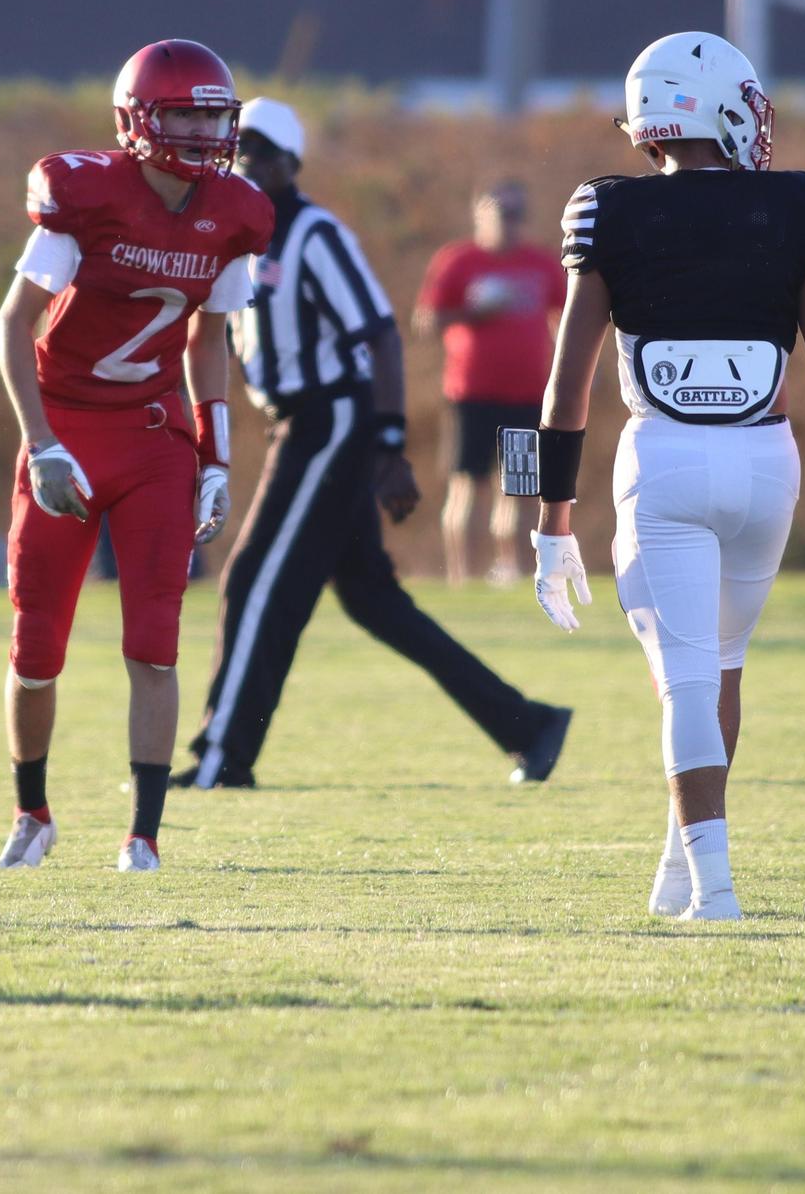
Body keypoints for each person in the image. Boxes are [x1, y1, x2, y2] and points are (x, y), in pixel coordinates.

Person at [517, 32, 805, 922]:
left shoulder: (607, 209)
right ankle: (679, 872)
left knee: (685, 679)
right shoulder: (799, 205)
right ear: (723, 107)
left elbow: (561, 389)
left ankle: (715, 891)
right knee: (718, 670)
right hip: (771, 465)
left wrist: (544, 519)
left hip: (665, 461)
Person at [177, 97, 573, 791]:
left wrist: (388, 442)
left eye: (260, 154)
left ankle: (222, 758)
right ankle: (526, 725)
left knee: (254, 582)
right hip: (316, 420)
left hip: (331, 421)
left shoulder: (314, 233)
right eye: (237, 152)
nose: (245, 165)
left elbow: (382, 333)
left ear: (290, 163)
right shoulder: (237, 232)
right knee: (374, 603)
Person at [0, 40, 275, 874]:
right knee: (37, 643)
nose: (200, 129)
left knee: (155, 640)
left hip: (154, 439)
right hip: (69, 429)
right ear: (138, 118)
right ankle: (32, 812)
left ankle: (144, 835)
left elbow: (208, 338)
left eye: (213, 113)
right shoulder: (85, 195)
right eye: (182, 111)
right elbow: (12, 326)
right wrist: (40, 441)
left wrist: (216, 459)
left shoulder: (236, 210)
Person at [415, 182, 566, 584]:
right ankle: (463, 578)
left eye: (516, 214)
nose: (508, 222)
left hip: (527, 392)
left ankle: (511, 575)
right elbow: (428, 321)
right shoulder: (459, 260)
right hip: (472, 393)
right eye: (501, 212)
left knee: (518, 488)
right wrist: (475, 312)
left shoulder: (540, 262)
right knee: (468, 484)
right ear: (480, 214)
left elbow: (566, 318)